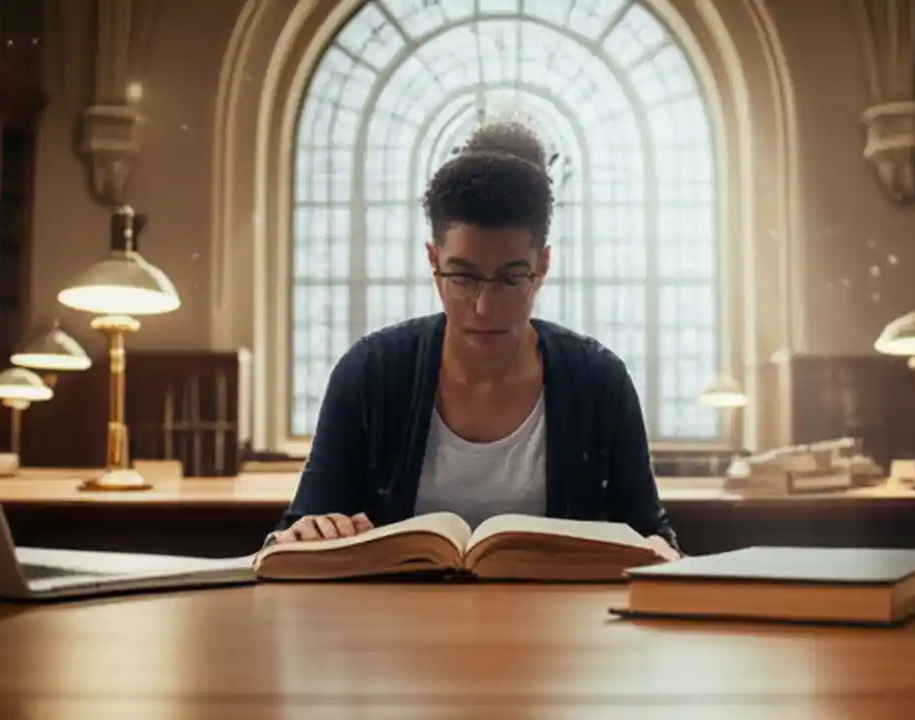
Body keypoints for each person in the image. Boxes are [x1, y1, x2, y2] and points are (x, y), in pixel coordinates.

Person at [270, 121, 680, 560]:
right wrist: (308, 531)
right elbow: (297, 533)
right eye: (463, 277)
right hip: (391, 626)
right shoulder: (370, 372)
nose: (485, 307)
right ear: (434, 261)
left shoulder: (600, 381)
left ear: (542, 267)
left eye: (510, 279)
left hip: (561, 626)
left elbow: (655, 540)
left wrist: (657, 552)